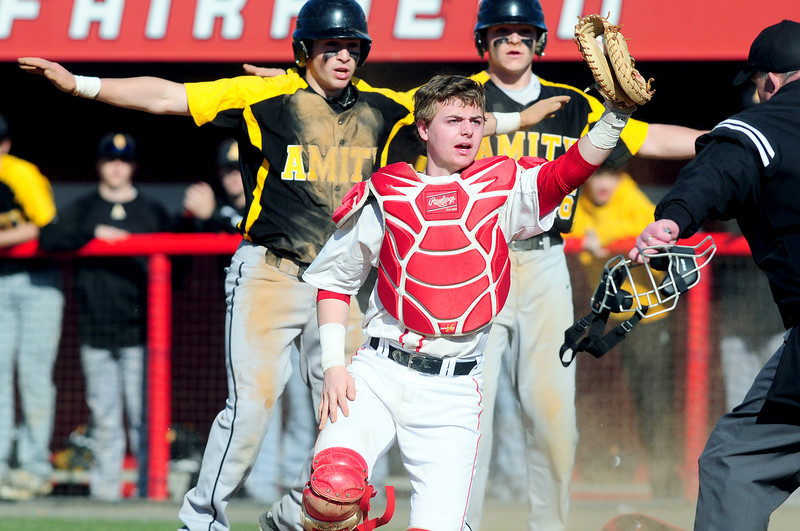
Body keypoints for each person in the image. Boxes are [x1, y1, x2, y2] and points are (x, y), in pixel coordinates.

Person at [18, 1, 557, 527]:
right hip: (272, 272)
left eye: (353, 46)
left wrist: (521, 118)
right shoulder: (266, 94)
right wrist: (80, 84)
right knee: (250, 411)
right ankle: (202, 520)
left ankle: (300, 516)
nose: (344, 56)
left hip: (342, 289)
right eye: (331, 46)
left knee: (344, 415)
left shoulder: (382, 105)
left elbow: (447, 119)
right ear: (305, 50)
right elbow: (168, 96)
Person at [287, 73, 634, 531]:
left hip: (452, 390)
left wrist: (617, 117)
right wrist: (333, 365)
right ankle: (289, 518)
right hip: (378, 373)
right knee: (331, 492)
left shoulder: (503, 186)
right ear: (425, 130)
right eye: (453, 120)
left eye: (476, 119)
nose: (468, 130)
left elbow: (567, 171)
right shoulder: (387, 193)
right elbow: (335, 282)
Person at [463, 2, 704, 529]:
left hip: (544, 265)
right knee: (466, 419)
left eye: (523, 31)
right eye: (501, 31)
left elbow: (650, 137)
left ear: (540, 41)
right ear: (484, 40)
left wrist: (726, 142)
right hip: (474, 265)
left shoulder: (572, 105)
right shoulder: (460, 99)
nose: (513, 40)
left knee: (554, 422)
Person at [627, 19, 800, 530]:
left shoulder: (762, 124)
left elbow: (719, 170)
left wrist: (671, 217)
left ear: (769, 81)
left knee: (733, 465)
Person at [37, 132, 173, 501]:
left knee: (144, 418)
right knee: (106, 418)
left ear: (133, 166)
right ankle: (105, 494)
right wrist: (92, 232)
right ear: (100, 164)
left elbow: (183, 265)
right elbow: (49, 237)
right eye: (111, 160)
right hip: (95, 330)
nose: (117, 166)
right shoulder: (84, 208)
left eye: (124, 160)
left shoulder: (151, 210)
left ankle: (150, 491)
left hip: (143, 332)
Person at [568, 161, 681, 498]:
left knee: (653, 401)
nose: (604, 183)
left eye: (611, 175)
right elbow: (565, 231)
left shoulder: (633, 201)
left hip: (648, 320)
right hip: (610, 320)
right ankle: (604, 467)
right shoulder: (580, 205)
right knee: (598, 398)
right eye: (597, 175)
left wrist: (606, 244)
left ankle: (667, 476)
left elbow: (655, 243)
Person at [0, 113, 64, 501]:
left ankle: (34, 467)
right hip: (3, 279)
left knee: (33, 376)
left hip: (37, 280)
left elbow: (49, 224)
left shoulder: (18, 171)